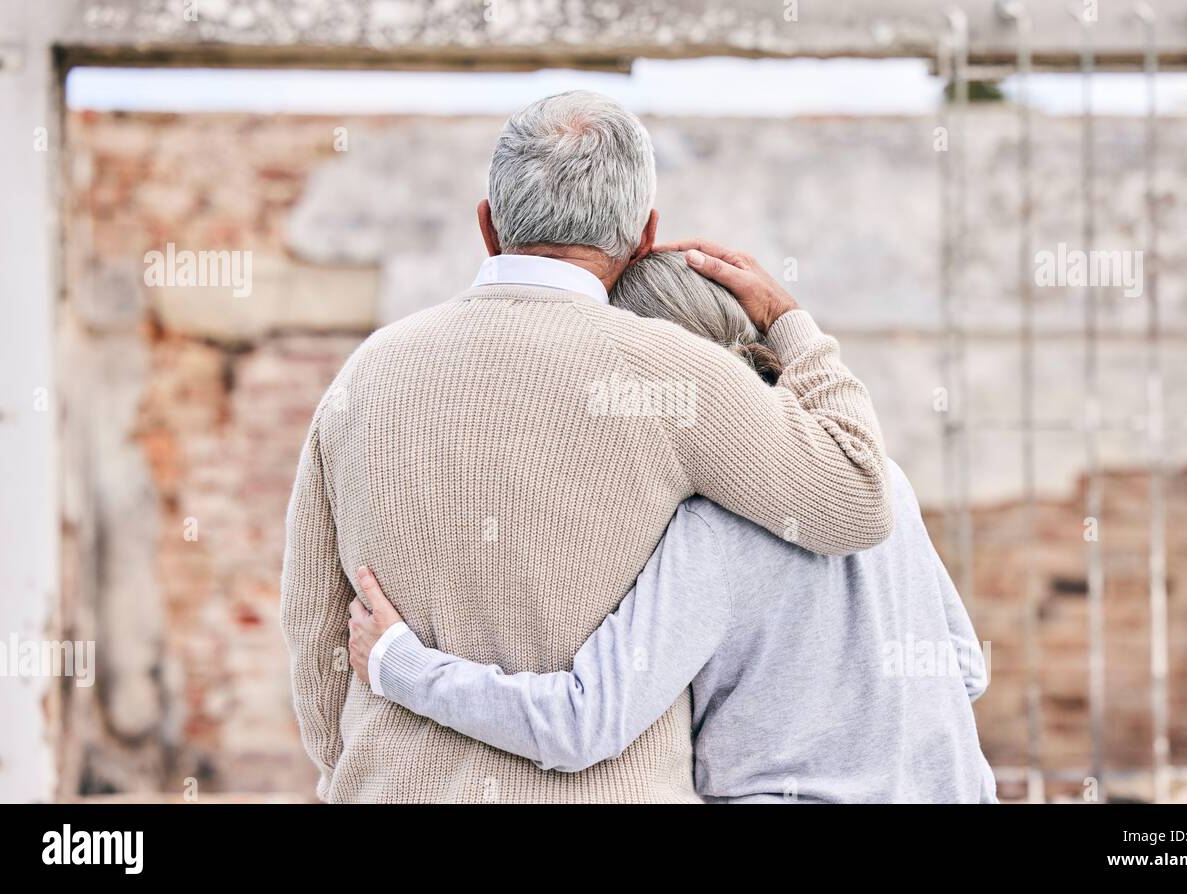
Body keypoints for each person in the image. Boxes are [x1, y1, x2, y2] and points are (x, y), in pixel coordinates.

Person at [280, 91, 893, 803]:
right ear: (645, 234)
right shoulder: (676, 375)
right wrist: (787, 320)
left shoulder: (364, 375)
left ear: (488, 224)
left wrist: (358, 770)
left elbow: (315, 630)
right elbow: (860, 498)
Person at [347, 252, 996, 803]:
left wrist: (403, 667)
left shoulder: (709, 531)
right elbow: (965, 669)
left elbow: (581, 723)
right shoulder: (883, 480)